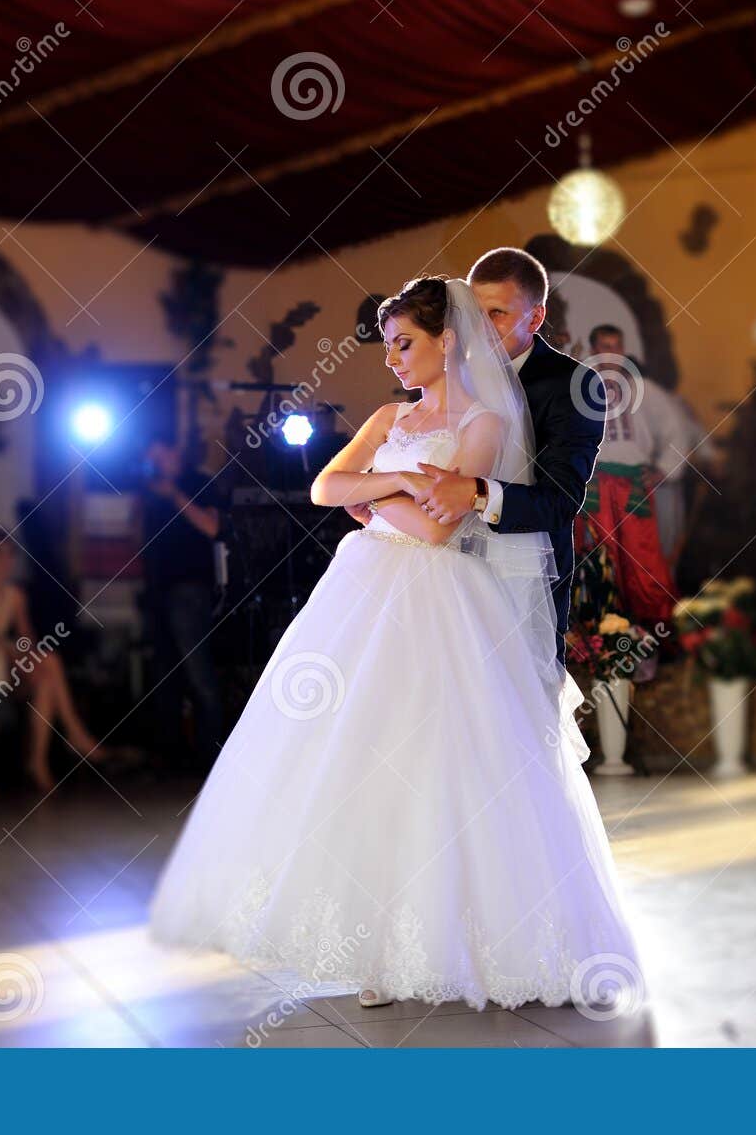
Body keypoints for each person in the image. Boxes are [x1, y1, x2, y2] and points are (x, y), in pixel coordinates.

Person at [149, 275, 639, 1012]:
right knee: (360, 759)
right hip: (363, 596)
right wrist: (402, 481)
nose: (393, 359)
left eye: (405, 343)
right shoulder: (387, 417)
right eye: (388, 346)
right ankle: (377, 943)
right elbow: (323, 487)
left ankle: (467, 940)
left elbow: (440, 527)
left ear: (448, 341)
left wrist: (372, 494)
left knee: (441, 763)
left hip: (443, 601)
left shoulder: (483, 423)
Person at [405, 247, 606, 666]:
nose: (480, 327)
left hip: (522, 579)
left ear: (534, 318)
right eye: (474, 313)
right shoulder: (446, 374)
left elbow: (560, 502)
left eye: (496, 314)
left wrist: (477, 494)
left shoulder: (574, 385)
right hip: (439, 578)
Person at [0, 530, 107, 794]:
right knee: (48, 665)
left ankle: (39, 761)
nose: (4, 560)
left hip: (12, 664)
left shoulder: (16, 594)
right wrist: (19, 652)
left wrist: (24, 651)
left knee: (46, 677)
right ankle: (71, 733)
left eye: (8, 553)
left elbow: (27, 637)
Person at [575, 338, 678, 626]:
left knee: (642, 557)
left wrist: (663, 470)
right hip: (594, 488)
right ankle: (604, 633)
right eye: (603, 347)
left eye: (616, 346)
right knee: (599, 557)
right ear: (593, 350)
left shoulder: (646, 392)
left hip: (633, 486)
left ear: (624, 351)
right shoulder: (579, 389)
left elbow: (677, 431)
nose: (610, 353)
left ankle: (652, 629)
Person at [140, 436, 226, 771]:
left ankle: (210, 757)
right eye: (151, 459)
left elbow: (212, 527)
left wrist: (174, 495)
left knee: (199, 674)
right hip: (159, 592)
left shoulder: (197, 482)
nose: (157, 464)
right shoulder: (152, 492)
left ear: (175, 451)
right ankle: (172, 755)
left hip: (190, 592)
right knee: (165, 676)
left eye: (160, 456)